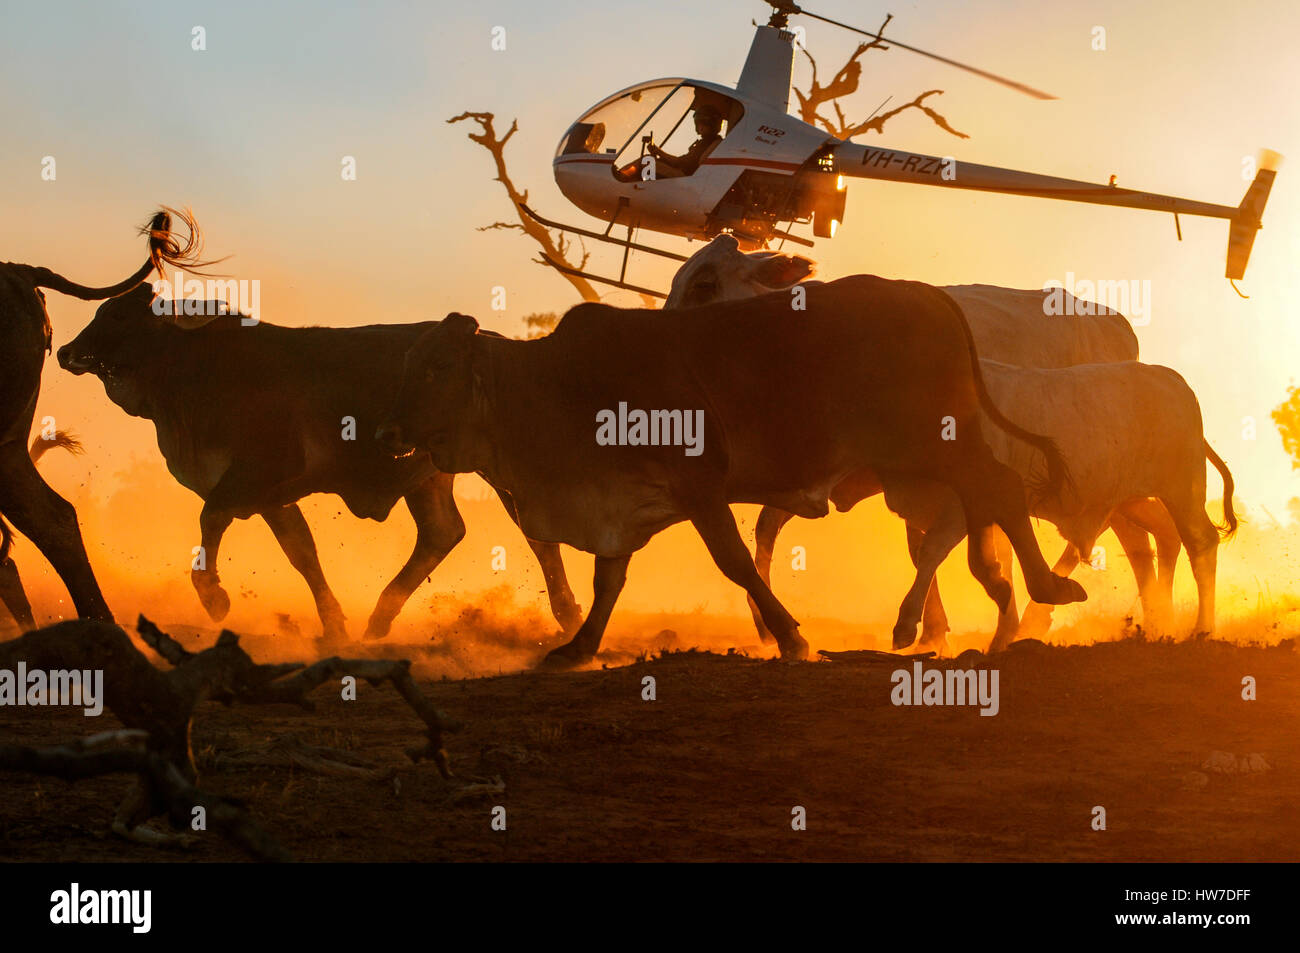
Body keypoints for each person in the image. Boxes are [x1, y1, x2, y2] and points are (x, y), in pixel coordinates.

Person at [647, 105, 723, 178]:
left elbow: (679, 162)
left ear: (711, 124)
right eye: (698, 124)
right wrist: (658, 151)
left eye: (703, 123)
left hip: (686, 178)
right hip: (685, 176)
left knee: (646, 163)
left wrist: (658, 152)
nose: (700, 127)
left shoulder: (710, 144)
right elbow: (680, 161)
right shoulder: (708, 142)